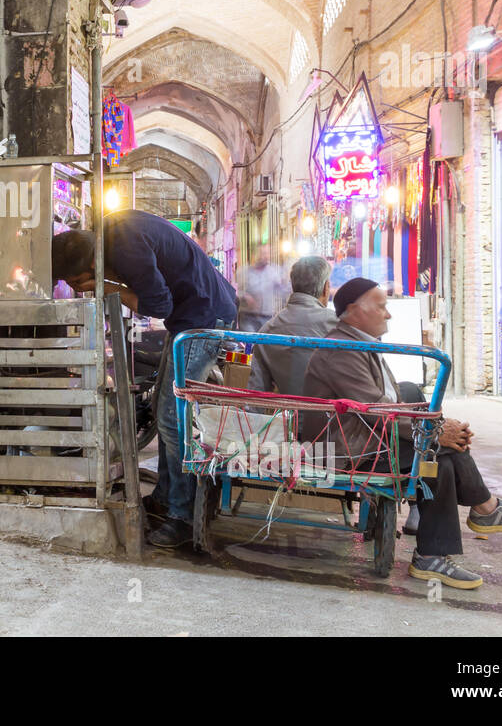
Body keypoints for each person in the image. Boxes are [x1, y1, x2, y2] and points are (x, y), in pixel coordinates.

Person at [302, 278, 502, 590]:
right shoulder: (343, 351)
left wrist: (439, 426)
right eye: (380, 306)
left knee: (438, 444)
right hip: (342, 450)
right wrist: (435, 432)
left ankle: (455, 536)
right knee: (435, 453)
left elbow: (387, 404)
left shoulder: (359, 344)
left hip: (363, 438)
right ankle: (478, 515)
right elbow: (376, 411)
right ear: (353, 310)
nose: (387, 314)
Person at [52, 210, 238, 548]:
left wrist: (106, 287)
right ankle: (167, 499)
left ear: (88, 268)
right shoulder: (114, 234)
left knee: (171, 417)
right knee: (165, 411)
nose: (75, 289)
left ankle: (183, 518)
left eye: (75, 283)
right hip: (192, 319)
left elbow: (159, 305)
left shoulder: (124, 246)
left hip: (204, 320)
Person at [248, 256, 337, 395]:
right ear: (326, 288)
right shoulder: (338, 326)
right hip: (337, 415)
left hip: (291, 416)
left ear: (293, 286)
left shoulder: (267, 331)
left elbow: (256, 395)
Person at [237, 246, 286, 332]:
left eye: (267, 253)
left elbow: (282, 291)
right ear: (254, 255)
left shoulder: (274, 271)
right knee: (250, 343)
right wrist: (244, 296)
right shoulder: (243, 271)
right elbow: (234, 290)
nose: (266, 256)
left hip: (267, 318)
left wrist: (282, 285)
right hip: (248, 317)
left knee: (264, 343)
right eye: (263, 253)